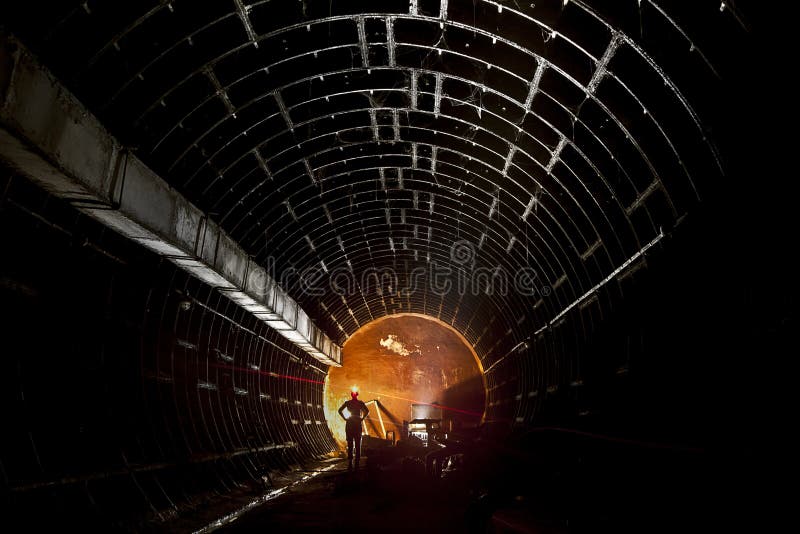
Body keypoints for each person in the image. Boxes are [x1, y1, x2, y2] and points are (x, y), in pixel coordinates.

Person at [338, 390, 369, 471]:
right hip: (357, 424)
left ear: (351, 395)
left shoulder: (347, 403)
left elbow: (339, 410)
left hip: (350, 423)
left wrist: (345, 418)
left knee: (350, 444)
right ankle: (357, 464)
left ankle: (350, 463)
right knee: (358, 444)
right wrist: (362, 418)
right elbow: (367, 411)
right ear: (357, 395)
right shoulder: (360, 403)